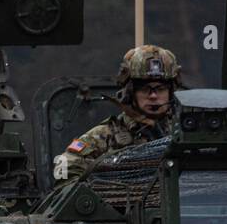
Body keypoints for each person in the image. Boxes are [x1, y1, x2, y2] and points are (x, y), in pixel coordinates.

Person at [60, 44, 181, 180]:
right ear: (130, 93)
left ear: (171, 92)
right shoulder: (102, 138)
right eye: (144, 89)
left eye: (160, 89)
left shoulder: (183, 135)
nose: (153, 96)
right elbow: (65, 176)